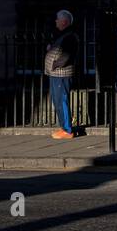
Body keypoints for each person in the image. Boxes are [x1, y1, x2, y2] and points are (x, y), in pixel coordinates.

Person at [44, 9, 79, 139]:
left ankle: (68, 130)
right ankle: (64, 127)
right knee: (57, 100)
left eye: (57, 19)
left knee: (61, 100)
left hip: (62, 74)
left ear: (64, 21)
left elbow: (67, 55)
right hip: (56, 74)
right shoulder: (63, 35)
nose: (56, 21)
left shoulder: (70, 36)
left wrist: (55, 64)